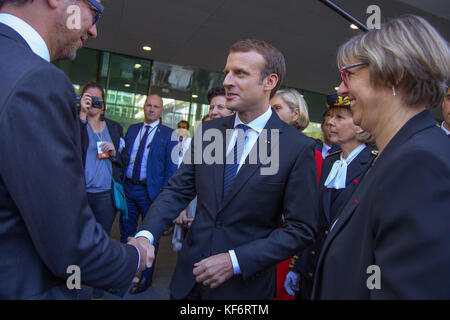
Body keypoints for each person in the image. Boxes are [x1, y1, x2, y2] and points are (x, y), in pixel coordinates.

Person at [133, 39, 318, 300]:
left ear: (269, 82)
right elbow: (177, 191)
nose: (228, 81)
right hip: (188, 280)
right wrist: (145, 235)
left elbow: (301, 229)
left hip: (243, 289)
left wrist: (235, 260)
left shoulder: (295, 147)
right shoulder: (210, 132)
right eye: (227, 72)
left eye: (240, 73)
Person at [0, 0, 150, 299]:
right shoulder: (38, 80)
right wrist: (134, 257)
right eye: (94, 13)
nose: (93, 31)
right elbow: (70, 244)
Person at [313, 15, 450, 299]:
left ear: (395, 74)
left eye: (348, 74)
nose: (340, 89)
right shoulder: (401, 153)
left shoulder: (420, 162)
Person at [285, 93, 377, 300]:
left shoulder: (374, 164)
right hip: (313, 272)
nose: (329, 122)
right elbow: (315, 220)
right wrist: (298, 266)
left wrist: (374, 287)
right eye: (330, 116)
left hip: (347, 279)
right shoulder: (330, 162)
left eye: (340, 117)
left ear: (360, 126)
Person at [269, 88, 324, 300]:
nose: (271, 113)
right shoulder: (264, 148)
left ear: (296, 114)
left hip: (285, 243)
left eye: (277, 108)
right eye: (269, 108)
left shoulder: (309, 152)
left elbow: (308, 210)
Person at [122, 94, 178, 294]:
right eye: (148, 105)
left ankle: (145, 278)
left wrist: (163, 196)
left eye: (156, 107)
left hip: (150, 192)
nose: (151, 109)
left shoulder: (168, 134)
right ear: (144, 107)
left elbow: (171, 170)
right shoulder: (133, 129)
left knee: (149, 236)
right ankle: (126, 272)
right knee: (126, 232)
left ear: (161, 110)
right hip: (128, 188)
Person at [78, 82, 129, 299]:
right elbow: (71, 146)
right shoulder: (75, 123)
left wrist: (115, 153)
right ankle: (74, 284)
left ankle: (97, 291)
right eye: (89, 98)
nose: (93, 103)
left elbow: (124, 160)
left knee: (102, 242)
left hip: (105, 196)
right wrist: (81, 115)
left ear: (104, 104)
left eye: (97, 99)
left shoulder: (115, 128)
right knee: (77, 241)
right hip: (79, 194)